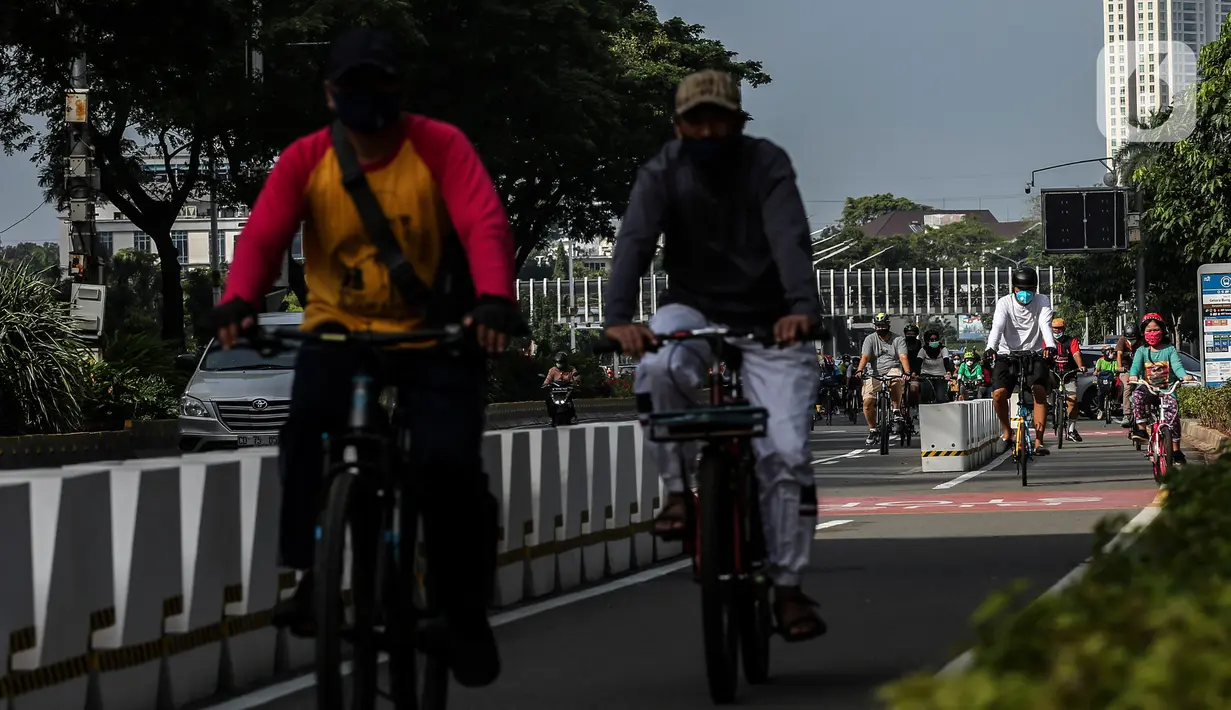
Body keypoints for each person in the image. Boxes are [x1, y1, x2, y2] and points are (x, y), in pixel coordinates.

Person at [204, 28, 524, 689]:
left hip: (429, 334)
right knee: (303, 434)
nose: (366, 101)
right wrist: (236, 301)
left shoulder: (439, 146)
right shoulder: (305, 160)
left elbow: (482, 223)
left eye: (379, 87)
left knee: (446, 466)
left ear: (400, 92)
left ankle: (461, 611)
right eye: (353, 89)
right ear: (330, 95)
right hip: (337, 331)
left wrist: (493, 300)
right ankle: (309, 574)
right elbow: (265, 233)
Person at [600, 69, 826, 641]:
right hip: (693, 309)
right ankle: (678, 492)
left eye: (718, 120)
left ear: (737, 123)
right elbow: (633, 242)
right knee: (656, 367)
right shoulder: (662, 170)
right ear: (678, 126)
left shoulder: (765, 164)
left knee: (787, 456)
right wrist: (619, 320)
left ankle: (787, 587)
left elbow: (789, 238)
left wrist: (801, 305)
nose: (707, 132)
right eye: (695, 122)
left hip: (773, 317)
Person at [985, 267, 1057, 454]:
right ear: (1013, 288)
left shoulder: (1042, 301)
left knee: (1039, 391)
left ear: (1035, 289)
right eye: (1020, 289)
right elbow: (998, 326)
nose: (1025, 294)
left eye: (1030, 289)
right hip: (1006, 354)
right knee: (998, 394)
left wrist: (1050, 345)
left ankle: (1039, 441)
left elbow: (1045, 324)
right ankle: (1007, 432)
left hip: (1034, 354)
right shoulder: (1004, 303)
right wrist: (990, 348)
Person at [1127, 313, 1194, 463]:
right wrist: (1133, 376)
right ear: (1143, 333)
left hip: (1167, 389)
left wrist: (1184, 376)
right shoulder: (1141, 351)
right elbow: (1135, 367)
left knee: (1173, 416)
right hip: (1148, 388)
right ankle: (1142, 430)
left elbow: (1177, 366)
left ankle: (1176, 451)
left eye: (1155, 329)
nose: (1152, 333)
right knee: (1137, 396)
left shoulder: (1169, 350)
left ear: (1162, 330)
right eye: (1149, 330)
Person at [856, 313, 913, 445]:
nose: (881, 328)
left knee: (896, 379)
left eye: (883, 325)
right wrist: (860, 370)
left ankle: (896, 410)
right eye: (878, 326)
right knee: (867, 402)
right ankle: (873, 430)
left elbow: (903, 357)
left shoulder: (898, 340)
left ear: (888, 325)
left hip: (893, 369)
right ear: (875, 327)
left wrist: (907, 372)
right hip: (874, 373)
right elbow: (865, 357)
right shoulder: (870, 339)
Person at [1050, 317, 1087, 442]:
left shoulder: (1071, 341)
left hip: (1068, 374)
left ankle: (1071, 429)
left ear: (1064, 328)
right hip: (1052, 374)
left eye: (1060, 328)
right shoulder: (1047, 341)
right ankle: (1051, 408)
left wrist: (1080, 366)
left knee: (1073, 400)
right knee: (1044, 393)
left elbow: (1076, 354)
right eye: (1055, 328)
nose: (1057, 331)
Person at [1116, 323, 1143, 427]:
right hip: (1126, 369)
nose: (1131, 341)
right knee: (1128, 387)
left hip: (1140, 370)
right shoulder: (1122, 340)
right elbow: (1119, 354)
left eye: (1133, 339)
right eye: (1129, 339)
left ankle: (1147, 411)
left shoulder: (1142, 341)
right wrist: (1119, 367)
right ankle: (1126, 414)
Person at [917, 329, 954, 403]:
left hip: (940, 375)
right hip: (926, 375)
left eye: (936, 339)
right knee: (925, 396)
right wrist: (915, 373)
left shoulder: (943, 349)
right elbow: (918, 362)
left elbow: (946, 361)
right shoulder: (923, 350)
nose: (934, 341)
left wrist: (948, 372)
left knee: (940, 399)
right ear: (927, 341)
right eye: (931, 340)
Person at [900, 323, 924, 418]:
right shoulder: (901, 342)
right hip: (901, 369)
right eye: (908, 333)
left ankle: (915, 406)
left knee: (914, 389)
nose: (910, 335)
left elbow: (919, 359)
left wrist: (915, 372)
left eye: (912, 333)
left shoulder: (918, 343)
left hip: (914, 368)